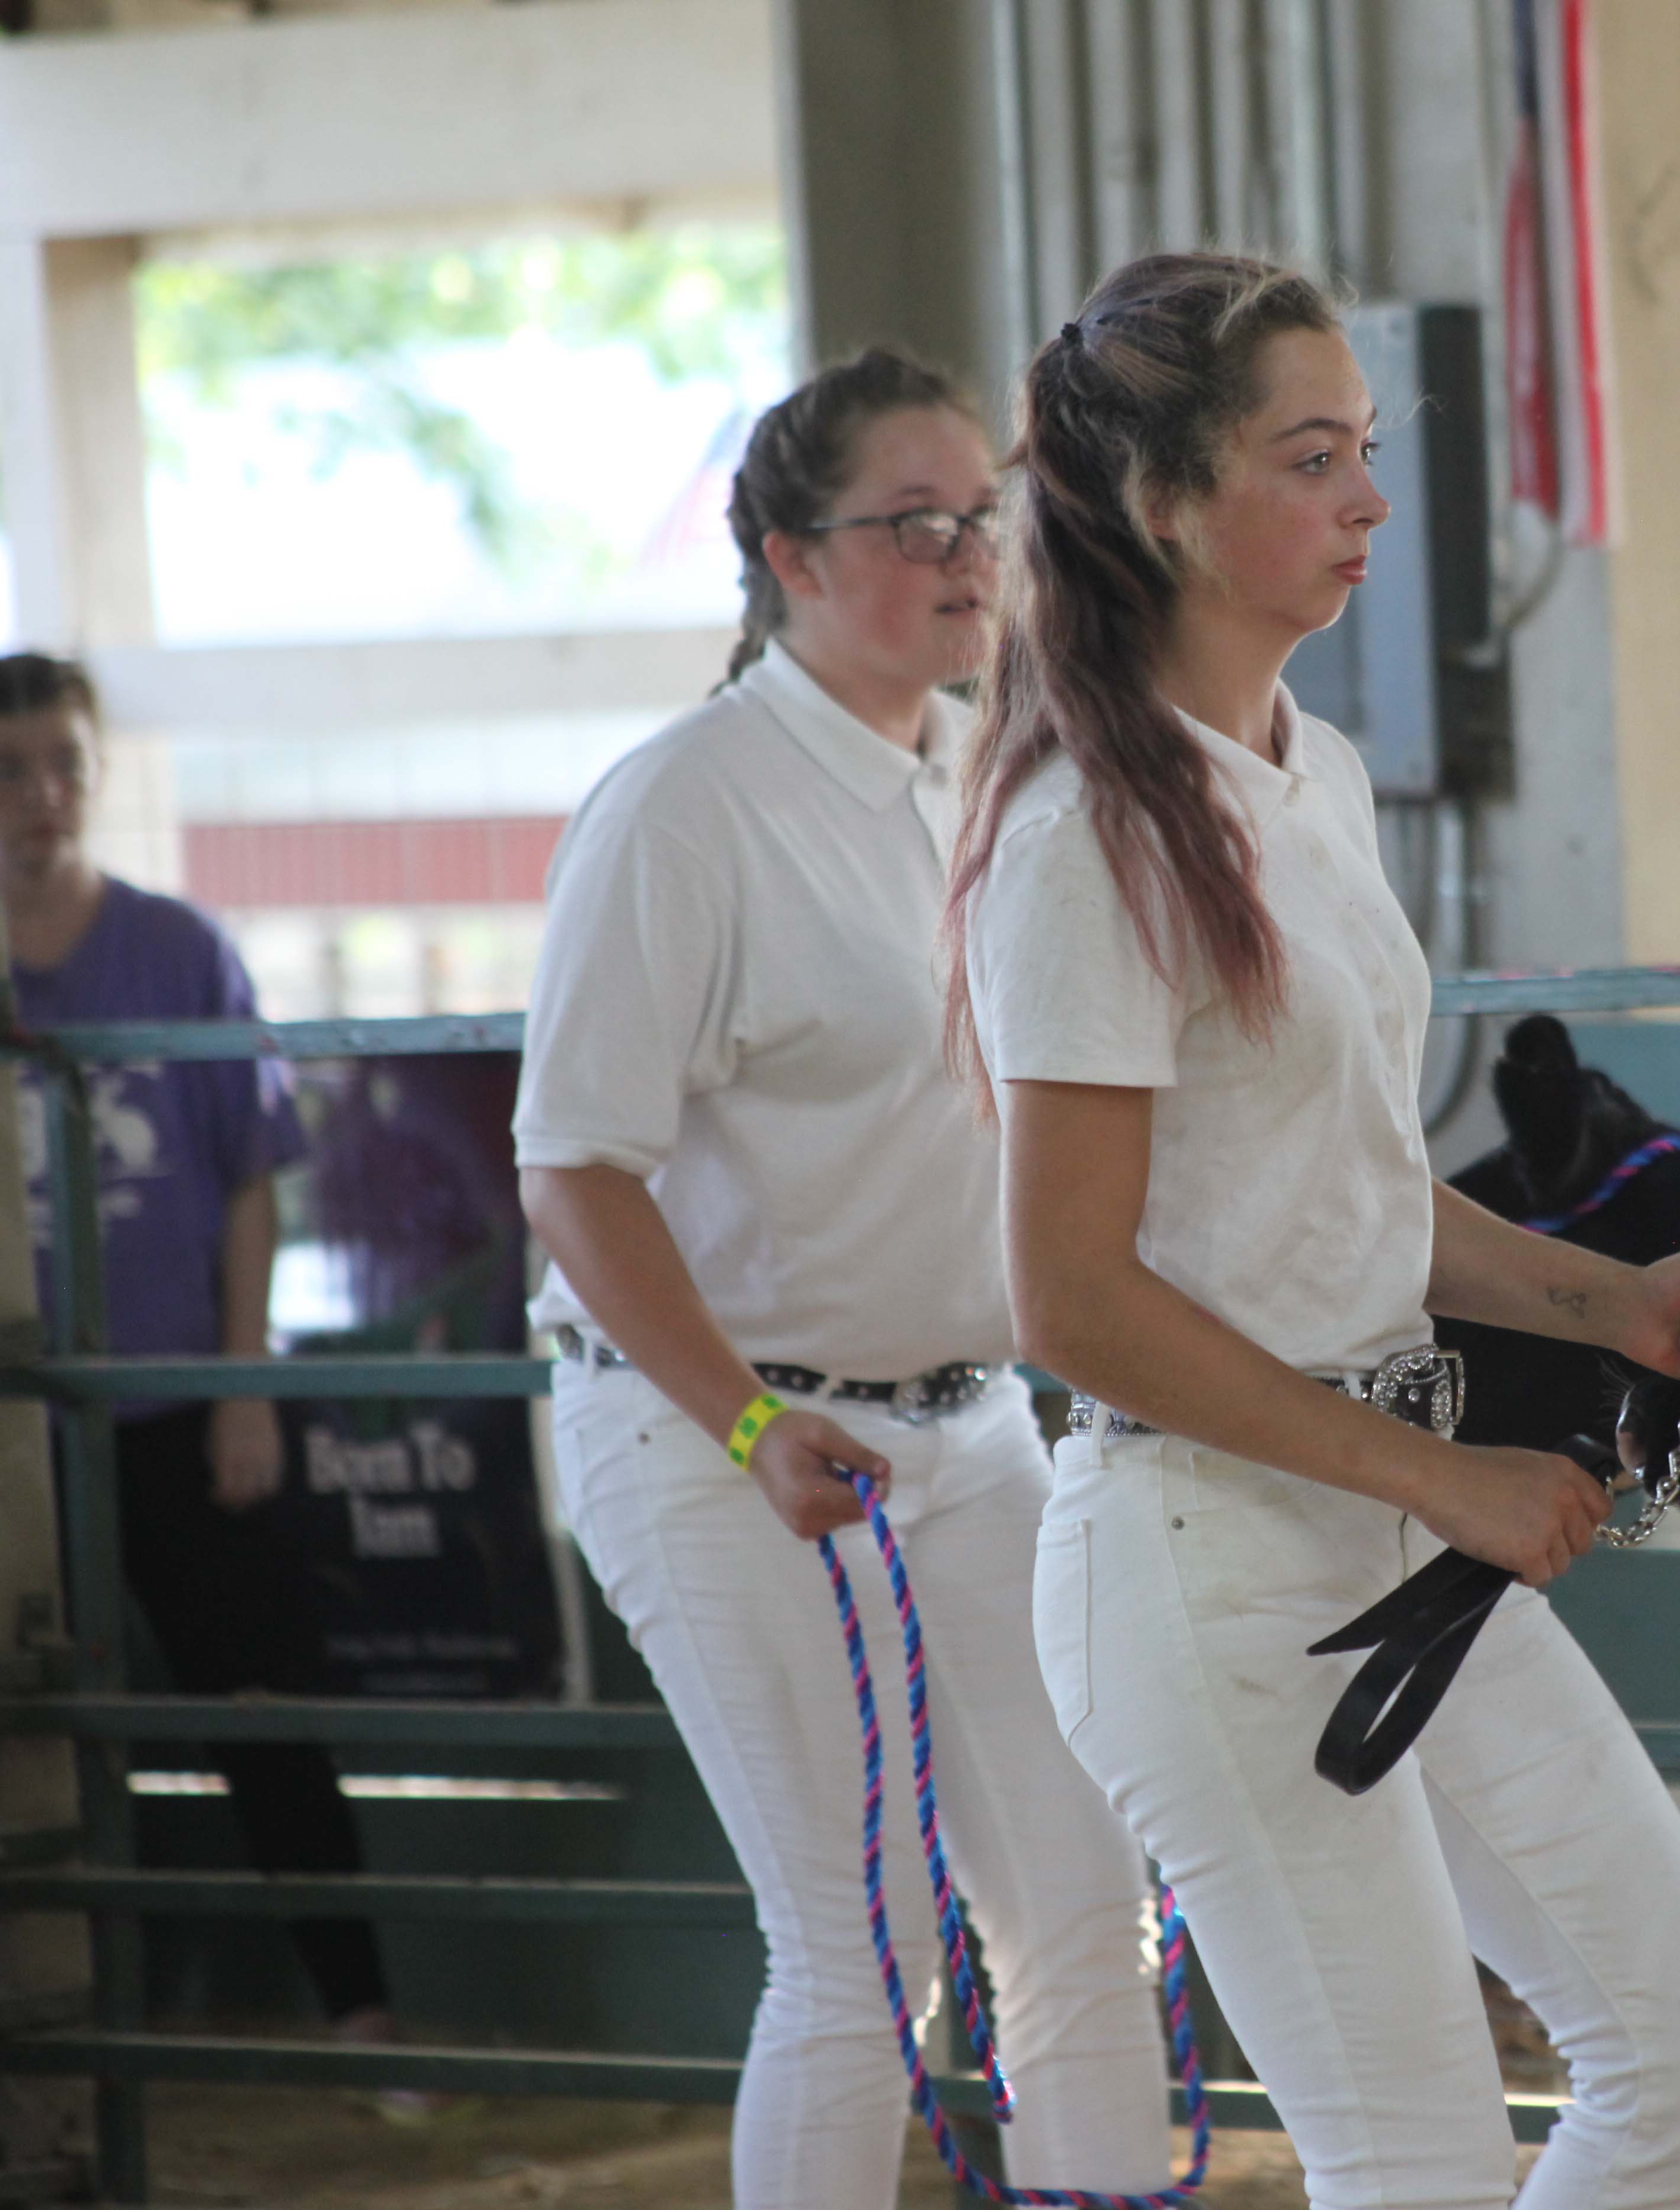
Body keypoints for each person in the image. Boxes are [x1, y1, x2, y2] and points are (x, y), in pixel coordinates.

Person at [947, 252, 1680, 2210]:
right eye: (1309, 458)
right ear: (1162, 502)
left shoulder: (1301, 771)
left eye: (1366, 450)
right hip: (1205, 1555)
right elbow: (1068, 1297)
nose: (1368, 503)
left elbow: (1349, 1185)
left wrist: (1616, 1300)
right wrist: (1446, 1473)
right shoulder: (1083, 833)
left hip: (1384, 1510)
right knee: (1410, 2161)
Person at [514, 350, 1174, 2210]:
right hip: (717, 1419)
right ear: (791, 557)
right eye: (915, 524)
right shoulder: (684, 808)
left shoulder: (997, 770)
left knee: (1077, 1903)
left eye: (990, 516)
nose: (972, 556)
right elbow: (571, 1166)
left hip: (972, 1418)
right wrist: (741, 1420)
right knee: (861, 1946)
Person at [0, 653, 407, 2058]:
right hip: (6, 1423)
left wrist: (244, 1382)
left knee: (262, 1710)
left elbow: (255, 1176)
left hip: (187, 1409)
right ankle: (32, 2036)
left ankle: (366, 2020)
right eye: (7, 768)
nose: (41, 794)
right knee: (7, 1723)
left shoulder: (183, 949)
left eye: (64, 761)